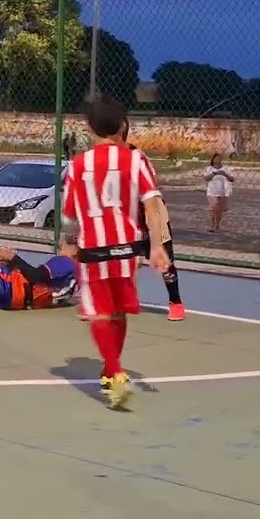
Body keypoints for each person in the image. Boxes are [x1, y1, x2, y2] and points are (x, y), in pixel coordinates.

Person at [62, 96, 169, 410]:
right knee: (118, 310)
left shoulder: (78, 165)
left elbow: (69, 214)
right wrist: (157, 245)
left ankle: (116, 371)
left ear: (89, 129)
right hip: (127, 247)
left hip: (94, 246)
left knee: (98, 312)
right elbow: (152, 205)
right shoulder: (136, 160)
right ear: (123, 125)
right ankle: (110, 371)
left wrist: (70, 243)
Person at [130, 140, 185, 321]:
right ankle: (120, 299)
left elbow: (150, 189)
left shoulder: (138, 158)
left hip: (150, 211)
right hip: (126, 214)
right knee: (118, 258)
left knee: (164, 262)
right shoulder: (102, 157)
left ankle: (175, 302)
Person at [203, 154, 234, 232]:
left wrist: (225, 174)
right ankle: (213, 223)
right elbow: (206, 178)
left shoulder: (225, 168)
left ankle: (217, 224)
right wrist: (214, 173)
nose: (218, 160)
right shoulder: (209, 169)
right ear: (213, 159)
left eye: (219, 158)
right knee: (213, 208)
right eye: (216, 158)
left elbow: (232, 179)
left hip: (223, 191)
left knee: (219, 210)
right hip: (212, 191)